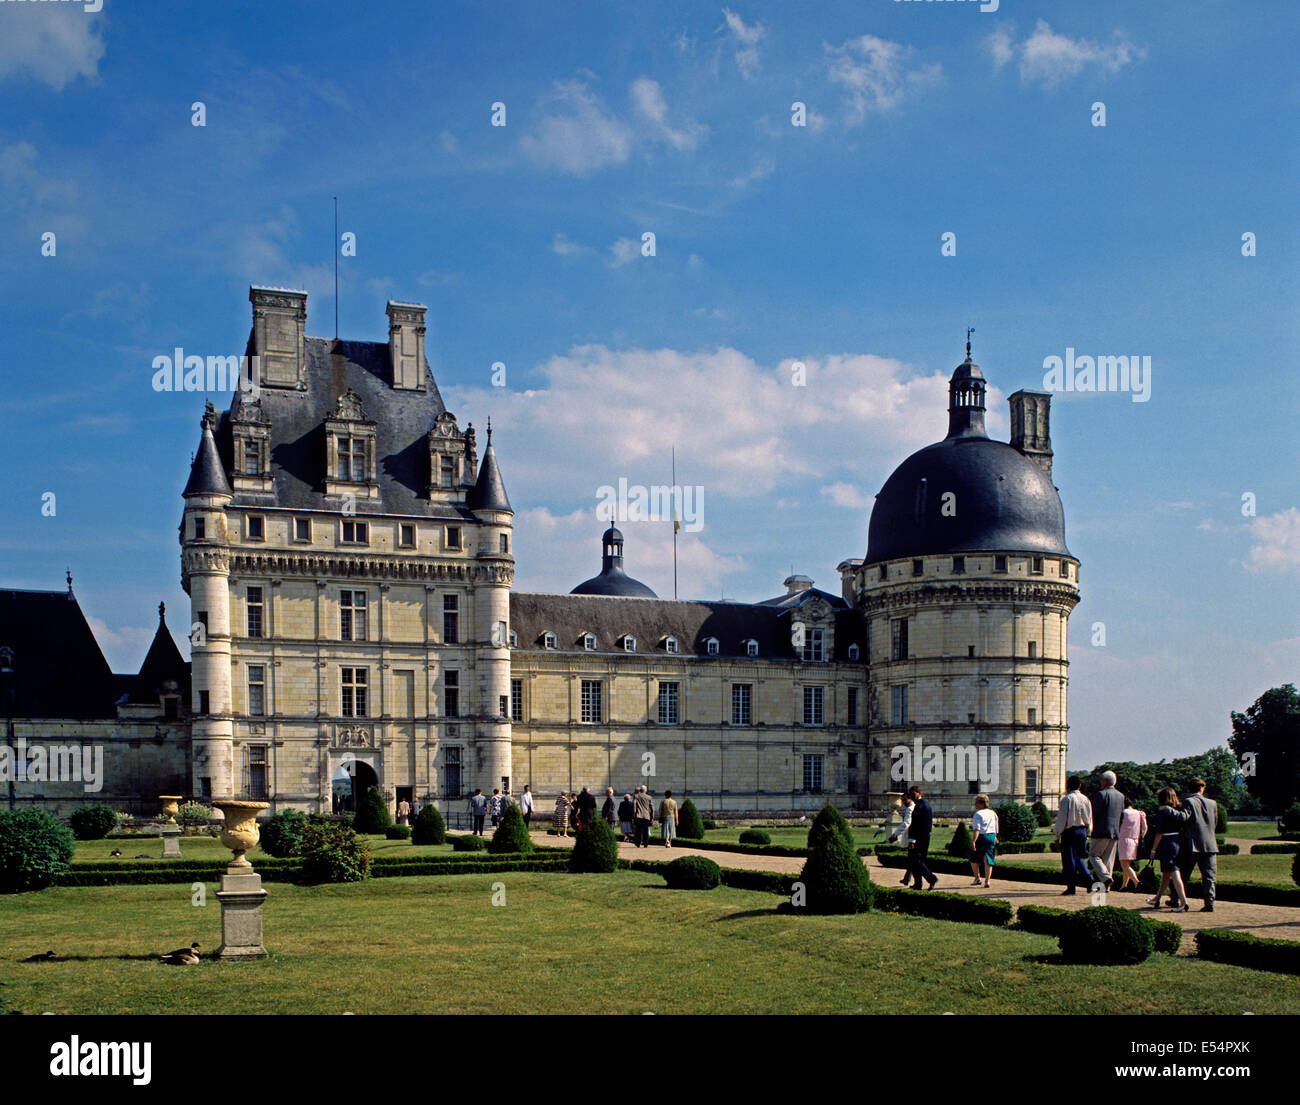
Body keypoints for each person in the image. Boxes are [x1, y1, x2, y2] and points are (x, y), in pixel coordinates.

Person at [1147, 786, 1191, 912]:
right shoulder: (1176, 810)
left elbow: (1159, 833)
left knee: (1174, 872)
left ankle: (1183, 902)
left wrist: (1153, 850)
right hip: (1177, 842)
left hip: (1167, 843)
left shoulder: (1162, 811)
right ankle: (1157, 898)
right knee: (1166, 874)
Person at [1180, 777, 1219, 912]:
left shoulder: (1187, 801)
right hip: (1210, 843)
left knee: (1183, 874)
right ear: (1202, 789)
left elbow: (1184, 818)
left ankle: (1177, 899)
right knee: (1209, 876)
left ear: (1189, 789)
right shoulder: (1213, 803)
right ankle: (1210, 903)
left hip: (1192, 844)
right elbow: (1215, 823)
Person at [1053, 775, 1093, 895]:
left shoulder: (1067, 799)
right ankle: (1088, 878)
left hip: (1070, 832)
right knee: (1079, 857)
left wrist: (1056, 836)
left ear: (1068, 786)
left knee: (1069, 860)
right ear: (1080, 786)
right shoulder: (1086, 799)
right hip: (1082, 831)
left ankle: (1071, 887)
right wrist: (1088, 832)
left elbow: (1061, 819)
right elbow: (1090, 818)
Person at [1087, 770, 1124, 890]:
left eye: (1101, 780)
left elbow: (1094, 814)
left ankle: (1106, 878)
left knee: (1094, 856)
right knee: (1109, 860)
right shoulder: (1120, 796)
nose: (1100, 782)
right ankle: (1106, 887)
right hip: (1114, 832)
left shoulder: (1101, 794)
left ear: (1106, 781)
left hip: (1100, 831)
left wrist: (1090, 829)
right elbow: (1122, 815)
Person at [905, 785, 937, 890]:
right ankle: (918, 884)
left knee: (916, 860)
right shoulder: (925, 805)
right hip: (925, 836)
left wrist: (912, 840)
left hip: (919, 838)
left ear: (919, 793)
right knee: (918, 861)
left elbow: (915, 826)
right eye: (910, 794)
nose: (912, 796)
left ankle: (931, 878)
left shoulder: (919, 806)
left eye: (913, 794)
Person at [1116, 796, 1147, 891]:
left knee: (1124, 864)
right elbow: (1144, 828)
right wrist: (1140, 836)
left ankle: (1136, 882)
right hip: (1134, 840)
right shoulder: (1139, 813)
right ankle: (1124, 885)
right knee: (1127, 864)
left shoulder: (1123, 813)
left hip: (1124, 839)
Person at [969, 793, 998, 887]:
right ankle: (987, 881)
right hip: (991, 836)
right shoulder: (992, 813)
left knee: (974, 858)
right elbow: (996, 827)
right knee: (988, 859)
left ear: (981, 803)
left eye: (976, 803)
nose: (975, 805)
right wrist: (995, 837)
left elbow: (977, 829)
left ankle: (977, 878)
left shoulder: (978, 814)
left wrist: (973, 841)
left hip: (982, 836)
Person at [888, 793, 915, 886]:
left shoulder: (910, 809)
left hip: (913, 837)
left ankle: (931, 878)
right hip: (914, 836)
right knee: (912, 859)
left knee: (914, 860)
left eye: (904, 800)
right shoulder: (913, 807)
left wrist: (895, 834)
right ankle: (907, 879)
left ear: (910, 799)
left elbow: (906, 823)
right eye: (902, 800)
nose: (903, 802)